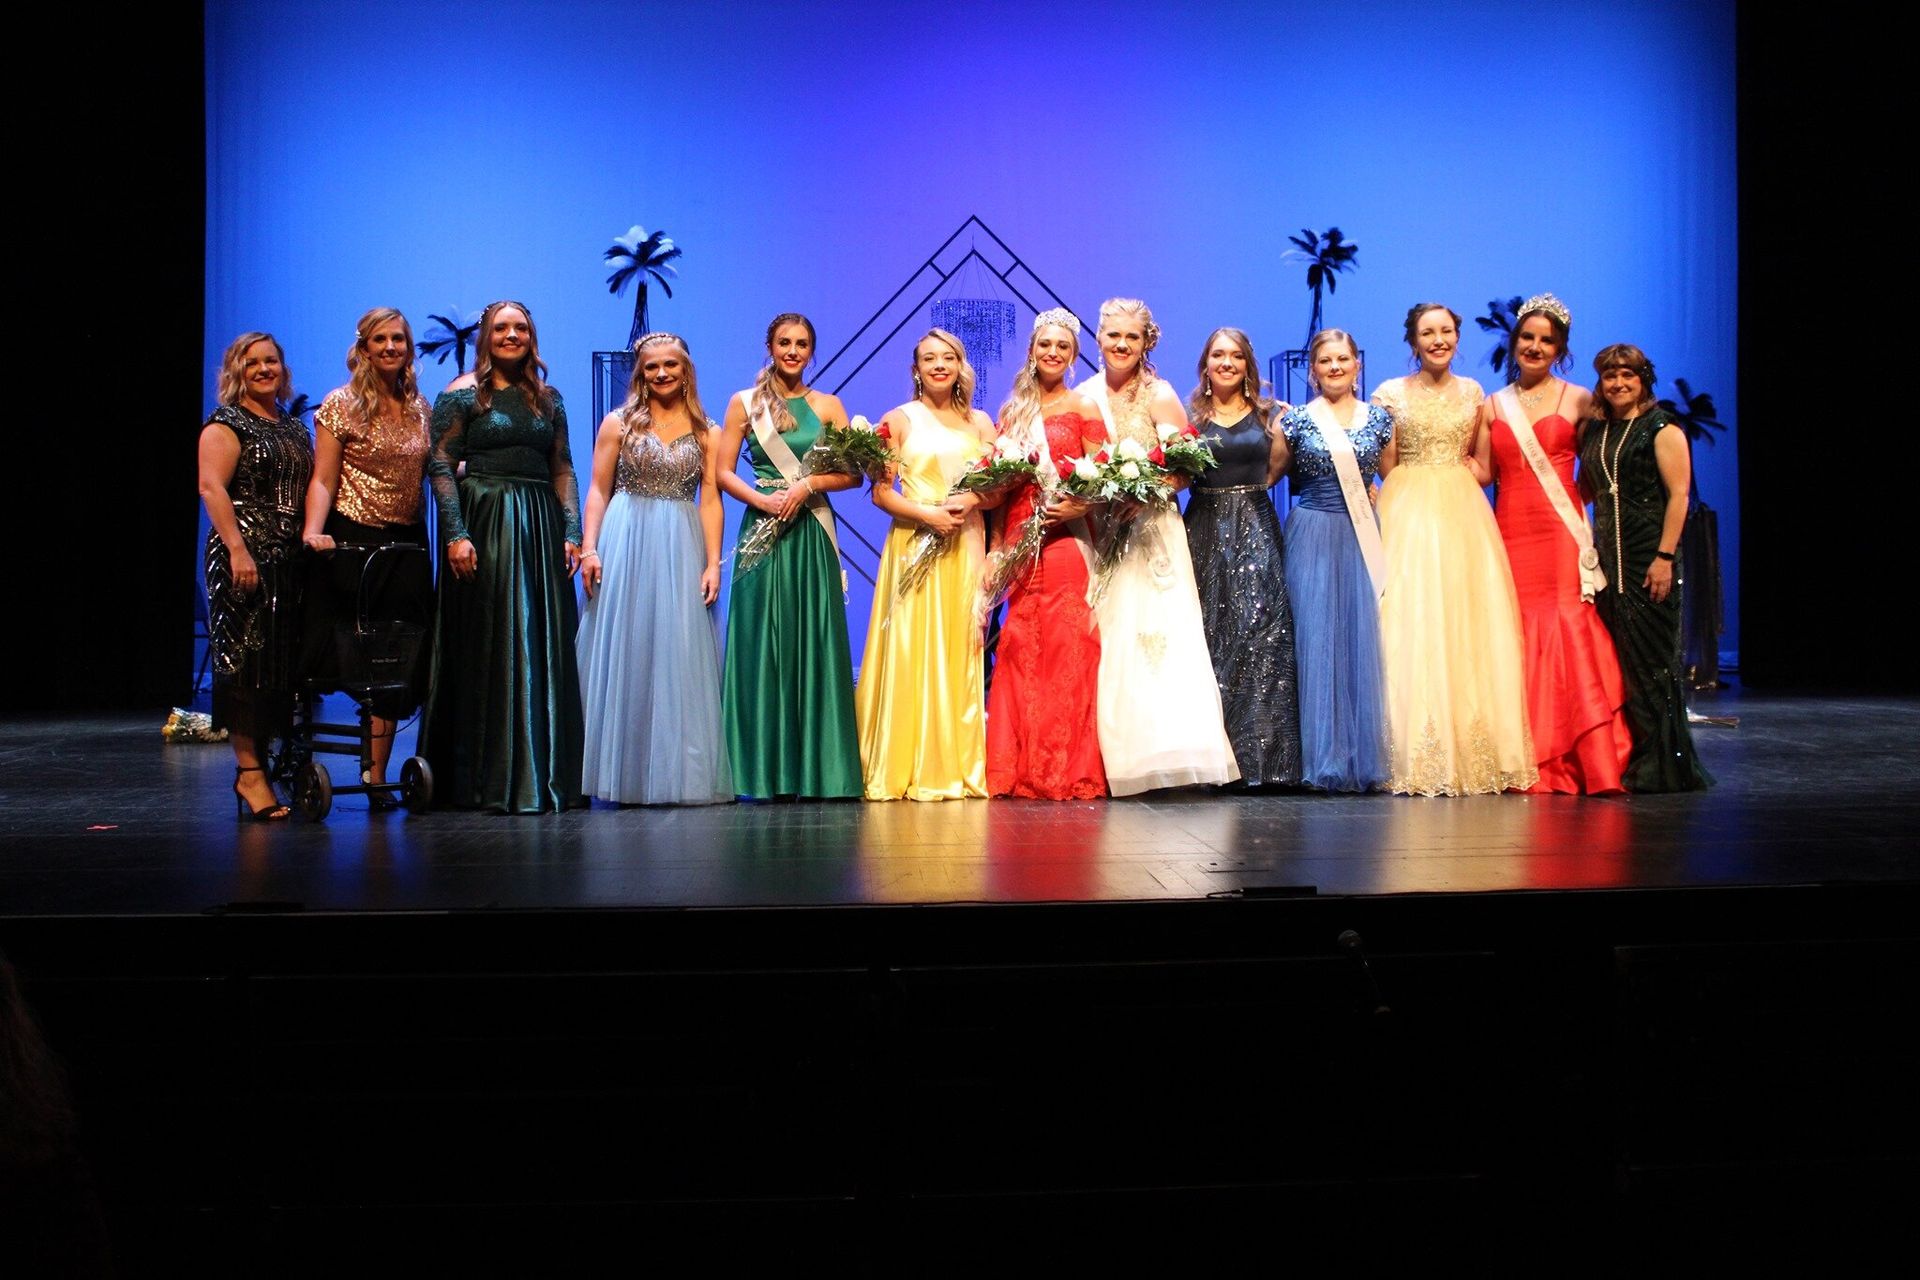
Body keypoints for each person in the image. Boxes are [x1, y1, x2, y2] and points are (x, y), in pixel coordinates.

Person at [418, 300, 585, 813]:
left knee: (540, 643)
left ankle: (545, 775)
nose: (511, 335)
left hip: (539, 525)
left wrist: (572, 530)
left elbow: (563, 470)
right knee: (492, 641)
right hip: (486, 523)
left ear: (531, 337)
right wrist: (455, 533)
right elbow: (441, 464)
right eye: (501, 328)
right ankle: (481, 779)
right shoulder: (461, 393)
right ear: (486, 336)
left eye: (521, 328)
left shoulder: (549, 399)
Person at [1371, 303, 1536, 795]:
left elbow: (1484, 469)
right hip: (1409, 507)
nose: (1438, 339)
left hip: (1463, 511)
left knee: (1465, 620)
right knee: (1409, 614)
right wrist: (1421, 486)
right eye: (1427, 332)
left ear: (1457, 338)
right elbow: (1387, 463)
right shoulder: (1390, 394)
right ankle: (1407, 748)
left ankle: (1471, 747)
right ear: (1413, 341)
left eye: (1446, 331)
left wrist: (1456, 470)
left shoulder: (1473, 394)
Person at [1082, 298, 1239, 795]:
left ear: (1146, 341)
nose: (1121, 345)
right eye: (1113, 336)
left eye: (1132, 337)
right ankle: (1118, 756)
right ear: (1099, 338)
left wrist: (1147, 492)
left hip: (1152, 530)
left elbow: (1187, 464)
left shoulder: (1160, 393)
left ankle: (1172, 751)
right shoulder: (1084, 394)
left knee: (1160, 635)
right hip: (1104, 528)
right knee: (1112, 638)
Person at [575, 332, 733, 805]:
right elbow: (598, 490)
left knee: (677, 654)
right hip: (626, 537)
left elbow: (710, 500)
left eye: (671, 365)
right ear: (639, 374)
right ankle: (620, 772)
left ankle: (676, 774)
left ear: (686, 370)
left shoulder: (708, 430)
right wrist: (590, 548)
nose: (662, 374)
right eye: (651, 367)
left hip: (680, 542)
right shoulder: (618, 423)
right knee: (628, 649)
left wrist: (712, 562)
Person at [1483, 294, 1630, 794]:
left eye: (1547, 340)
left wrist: (1577, 508)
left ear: (1560, 348)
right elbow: (1482, 470)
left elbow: (1602, 462)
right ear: (1515, 341)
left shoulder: (1580, 399)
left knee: (1567, 626)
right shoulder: (1492, 404)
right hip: (1509, 531)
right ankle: (1527, 760)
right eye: (1528, 337)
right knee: (1518, 634)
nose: (1535, 346)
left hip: (1559, 531)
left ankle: (1588, 762)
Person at [716, 313, 862, 799]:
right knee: (764, 645)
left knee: (812, 642)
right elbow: (722, 472)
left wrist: (809, 484)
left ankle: (820, 771)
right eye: (784, 343)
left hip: (812, 531)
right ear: (770, 346)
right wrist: (763, 500)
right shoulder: (744, 404)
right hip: (763, 528)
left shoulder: (829, 405)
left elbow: (853, 475)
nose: (793, 351)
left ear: (811, 350)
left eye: (801, 344)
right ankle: (760, 772)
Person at [299, 307, 433, 807]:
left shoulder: (419, 406)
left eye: (399, 338)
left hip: (406, 542)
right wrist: (314, 530)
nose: (391, 347)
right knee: (355, 650)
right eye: (381, 339)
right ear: (364, 347)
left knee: (398, 655)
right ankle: (353, 762)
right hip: (354, 537)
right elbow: (324, 477)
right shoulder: (342, 404)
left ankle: (377, 774)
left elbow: (430, 467)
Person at [856, 329, 998, 800]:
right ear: (916, 369)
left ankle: (955, 764)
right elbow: (880, 493)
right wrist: (930, 515)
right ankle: (904, 762)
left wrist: (973, 498)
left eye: (948, 358)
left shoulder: (981, 423)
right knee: (912, 646)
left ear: (960, 366)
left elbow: (1000, 488)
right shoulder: (897, 420)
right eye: (929, 359)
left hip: (966, 543)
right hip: (914, 540)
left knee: (962, 647)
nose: (939, 365)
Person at [984, 309, 1109, 799]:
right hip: (1020, 540)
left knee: (1065, 647)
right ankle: (1018, 767)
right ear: (1032, 352)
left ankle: (1063, 767)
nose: (1053, 353)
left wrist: (1076, 504)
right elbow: (998, 488)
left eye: (1063, 346)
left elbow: (1105, 482)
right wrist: (997, 546)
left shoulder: (1085, 408)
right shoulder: (1013, 412)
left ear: (1074, 355)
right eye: (1045, 345)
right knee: (1020, 649)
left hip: (1065, 539)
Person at [1580, 343, 1713, 792]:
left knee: (1654, 664)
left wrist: (1664, 558)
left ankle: (1666, 765)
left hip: (1648, 559)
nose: (1618, 383)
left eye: (1627, 376)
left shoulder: (1662, 427)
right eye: (1610, 376)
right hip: (1608, 565)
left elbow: (1679, 495)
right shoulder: (1598, 431)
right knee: (1623, 666)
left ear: (1643, 380)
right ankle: (1634, 757)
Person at [199, 332, 313, 820]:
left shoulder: (292, 427)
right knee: (243, 665)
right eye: (253, 363)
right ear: (237, 372)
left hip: (287, 561)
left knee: (277, 669)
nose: (265, 369)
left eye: (272, 362)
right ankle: (249, 775)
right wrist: (238, 550)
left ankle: (268, 765)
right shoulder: (226, 424)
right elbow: (211, 487)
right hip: (242, 557)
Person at [1182, 327, 1301, 788]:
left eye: (1235, 356)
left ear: (1247, 364)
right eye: (1218, 355)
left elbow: (1274, 472)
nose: (1226, 362)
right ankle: (1216, 760)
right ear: (1206, 365)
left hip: (1253, 523)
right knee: (1210, 633)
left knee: (1262, 634)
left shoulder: (1272, 416)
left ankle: (1266, 762)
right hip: (1205, 525)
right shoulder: (1190, 419)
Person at [1276, 329, 1392, 792]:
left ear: (1357, 365)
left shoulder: (1380, 420)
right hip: (1313, 532)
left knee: (1357, 637)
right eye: (1325, 361)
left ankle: (1359, 757)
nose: (1335, 367)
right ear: (1313, 369)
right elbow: (1270, 475)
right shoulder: (1297, 421)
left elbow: (1393, 480)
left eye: (1343, 359)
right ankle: (1319, 757)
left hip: (1359, 532)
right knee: (1315, 636)